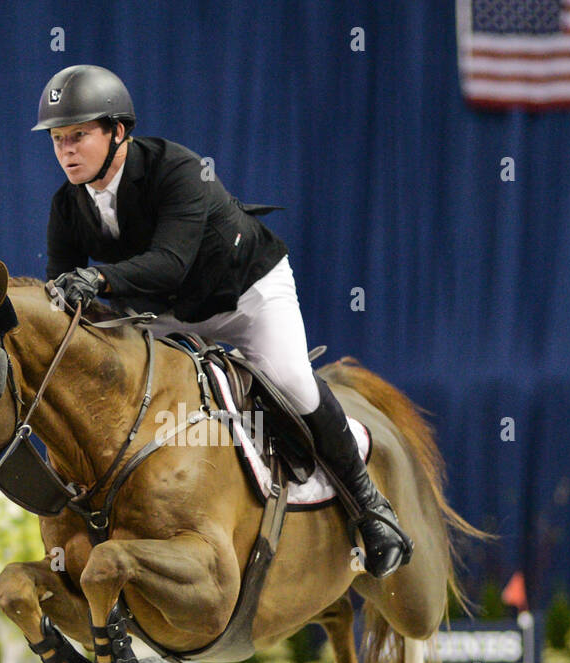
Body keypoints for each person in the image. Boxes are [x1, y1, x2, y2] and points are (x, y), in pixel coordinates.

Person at [35, 64, 410, 578]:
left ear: (118, 131)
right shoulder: (67, 205)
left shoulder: (177, 169)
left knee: (294, 381)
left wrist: (98, 282)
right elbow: (63, 297)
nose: (66, 151)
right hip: (167, 316)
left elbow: (171, 262)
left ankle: (372, 510)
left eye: (78, 136)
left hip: (246, 294)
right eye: (57, 140)